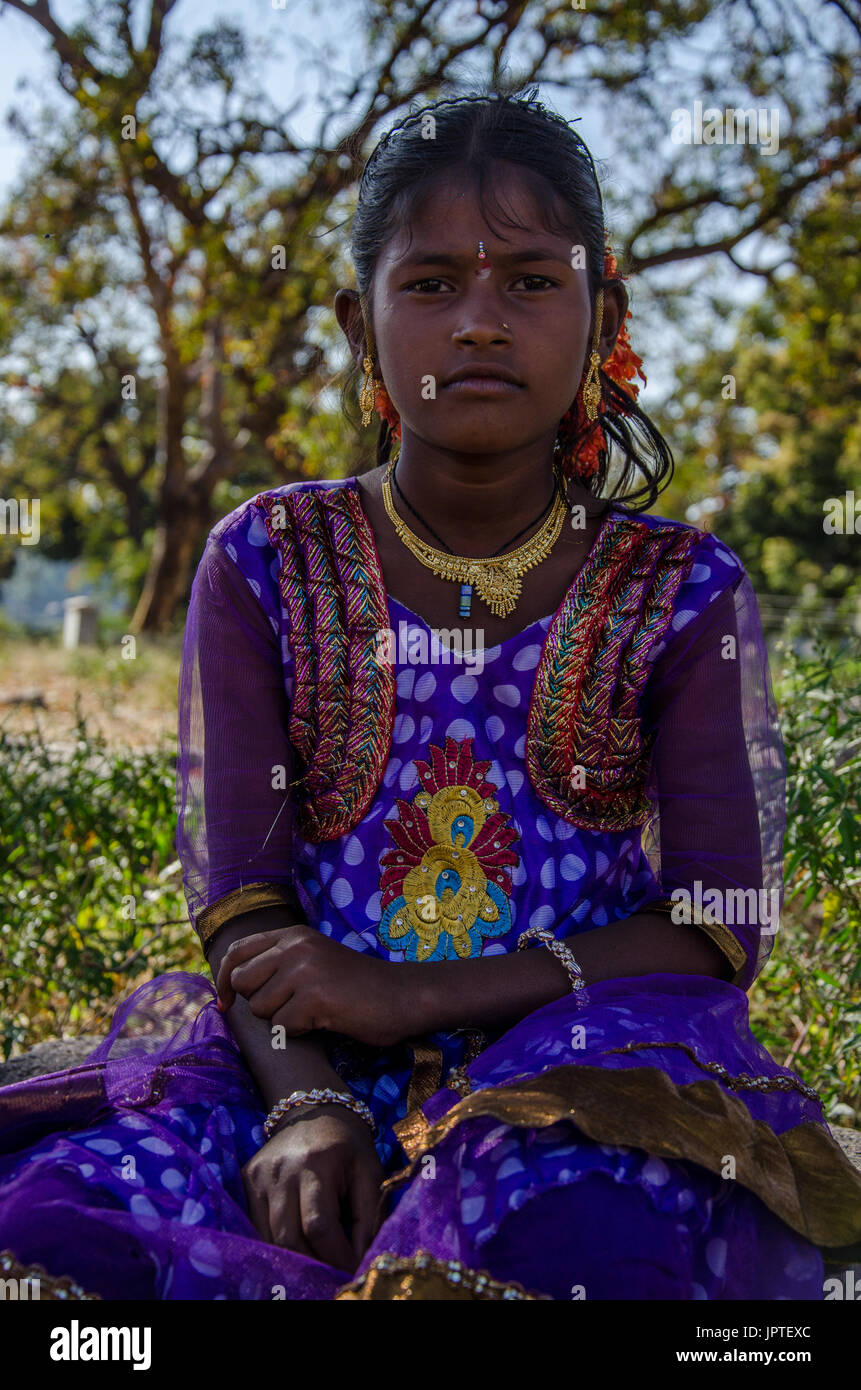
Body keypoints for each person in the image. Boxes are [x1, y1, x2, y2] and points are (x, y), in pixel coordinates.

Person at [1, 90, 859, 1302]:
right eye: (431, 283)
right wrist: (306, 1102)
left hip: (580, 1059)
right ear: (361, 322)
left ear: (601, 314)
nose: (478, 323)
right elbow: (242, 900)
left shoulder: (681, 589)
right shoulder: (265, 561)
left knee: (577, 1232)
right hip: (301, 1056)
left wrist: (415, 993)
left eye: (529, 282)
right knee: (96, 1222)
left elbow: (716, 926)